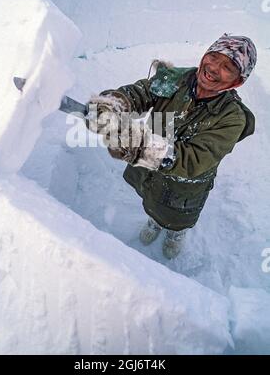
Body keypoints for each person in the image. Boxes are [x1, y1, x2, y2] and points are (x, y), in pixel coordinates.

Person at [86, 34, 257, 259]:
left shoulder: (232, 118)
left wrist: (138, 147)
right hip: (150, 171)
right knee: (152, 202)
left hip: (183, 189)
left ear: (237, 81)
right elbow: (141, 93)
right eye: (213, 57)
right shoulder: (177, 78)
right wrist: (114, 104)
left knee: (176, 218)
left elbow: (192, 159)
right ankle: (154, 223)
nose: (214, 68)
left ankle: (175, 234)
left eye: (228, 67)